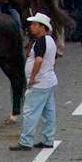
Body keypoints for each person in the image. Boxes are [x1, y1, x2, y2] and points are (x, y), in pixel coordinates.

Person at [10, 13, 58, 152]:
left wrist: (32, 78)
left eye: (34, 24)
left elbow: (39, 60)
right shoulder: (50, 40)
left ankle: (26, 141)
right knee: (49, 112)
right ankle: (48, 139)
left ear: (42, 27)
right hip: (49, 81)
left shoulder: (41, 42)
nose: (31, 27)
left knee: (30, 112)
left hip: (39, 83)